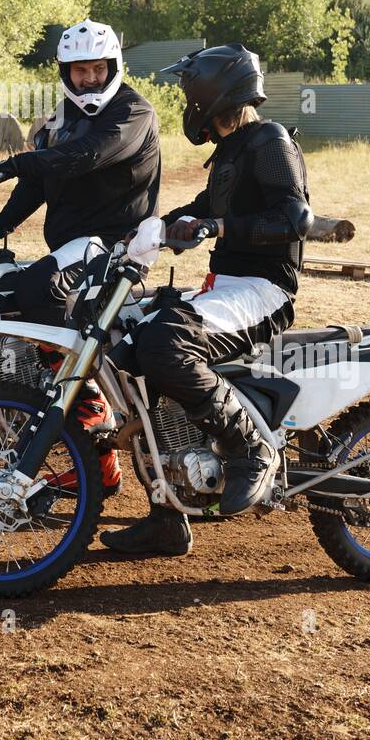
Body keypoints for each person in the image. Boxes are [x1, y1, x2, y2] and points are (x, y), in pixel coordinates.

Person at [101, 42, 313, 558]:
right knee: (131, 347)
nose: (183, 97)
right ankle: (168, 514)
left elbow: (295, 218)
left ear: (213, 90)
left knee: (164, 345)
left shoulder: (268, 140)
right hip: (228, 285)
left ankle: (249, 448)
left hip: (265, 291)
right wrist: (143, 232)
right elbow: (199, 208)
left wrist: (219, 226)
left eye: (187, 87)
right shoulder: (231, 152)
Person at [0, 19, 161, 497]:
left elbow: (87, 156)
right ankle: (94, 442)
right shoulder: (60, 116)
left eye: (98, 68)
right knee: (9, 293)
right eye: (79, 71)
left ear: (114, 66)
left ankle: (90, 397)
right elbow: (39, 182)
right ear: (65, 71)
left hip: (119, 246)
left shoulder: (134, 111)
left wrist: (12, 162)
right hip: (76, 248)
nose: (89, 80)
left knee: (36, 289)